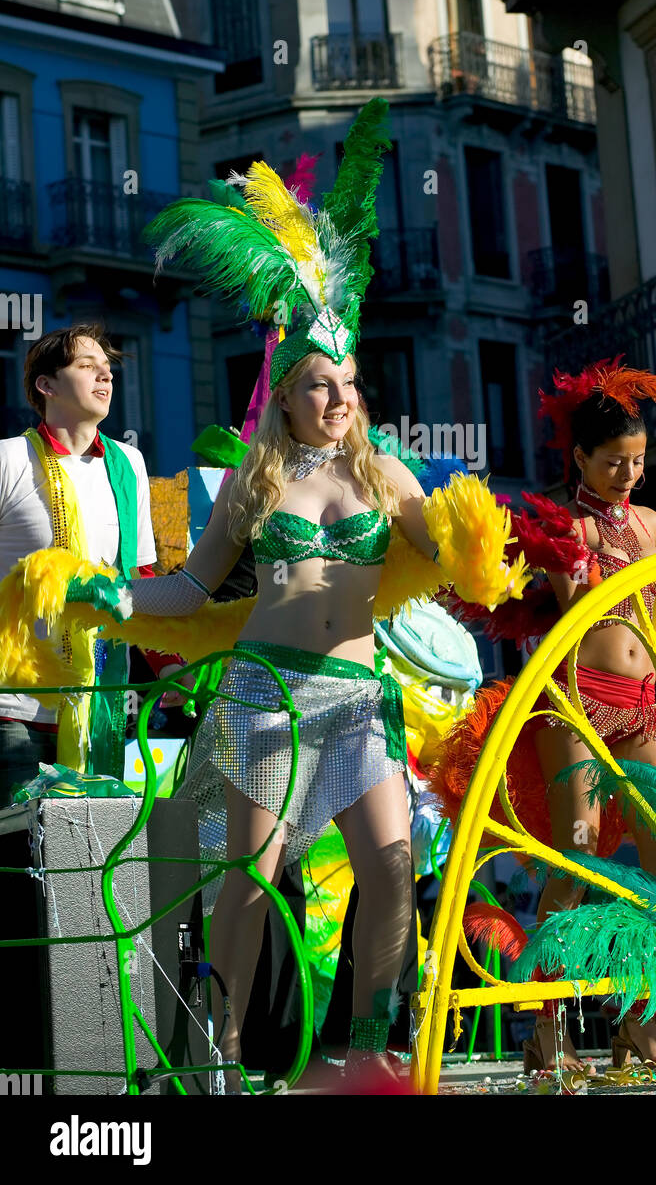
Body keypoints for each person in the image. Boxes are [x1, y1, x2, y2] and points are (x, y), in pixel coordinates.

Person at [18, 101, 528, 1088]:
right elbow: (192, 587)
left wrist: (482, 546)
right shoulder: (259, 483)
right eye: (316, 386)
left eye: (345, 383)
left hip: (358, 699)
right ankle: (222, 1052)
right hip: (266, 702)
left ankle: (373, 1051)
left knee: (389, 871)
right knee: (245, 887)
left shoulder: (388, 479)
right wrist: (109, 593)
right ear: (285, 395)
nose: (335, 398)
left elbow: (451, 555)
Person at [526, 360, 656, 1074]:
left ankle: (639, 1018)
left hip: (643, 707)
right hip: (576, 702)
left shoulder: (653, 524)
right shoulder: (564, 525)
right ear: (580, 459)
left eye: (637, 462)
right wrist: (570, 559)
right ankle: (547, 1026)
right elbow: (568, 614)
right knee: (579, 855)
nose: (627, 475)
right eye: (614, 462)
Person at [0, 323, 183, 806]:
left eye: (108, 370)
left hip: (100, 704)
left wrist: (168, 664)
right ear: (46, 385)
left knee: (83, 864)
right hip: (13, 709)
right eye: (87, 367)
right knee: (20, 861)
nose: (105, 377)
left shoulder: (129, 464)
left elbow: (138, 579)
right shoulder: (9, 459)